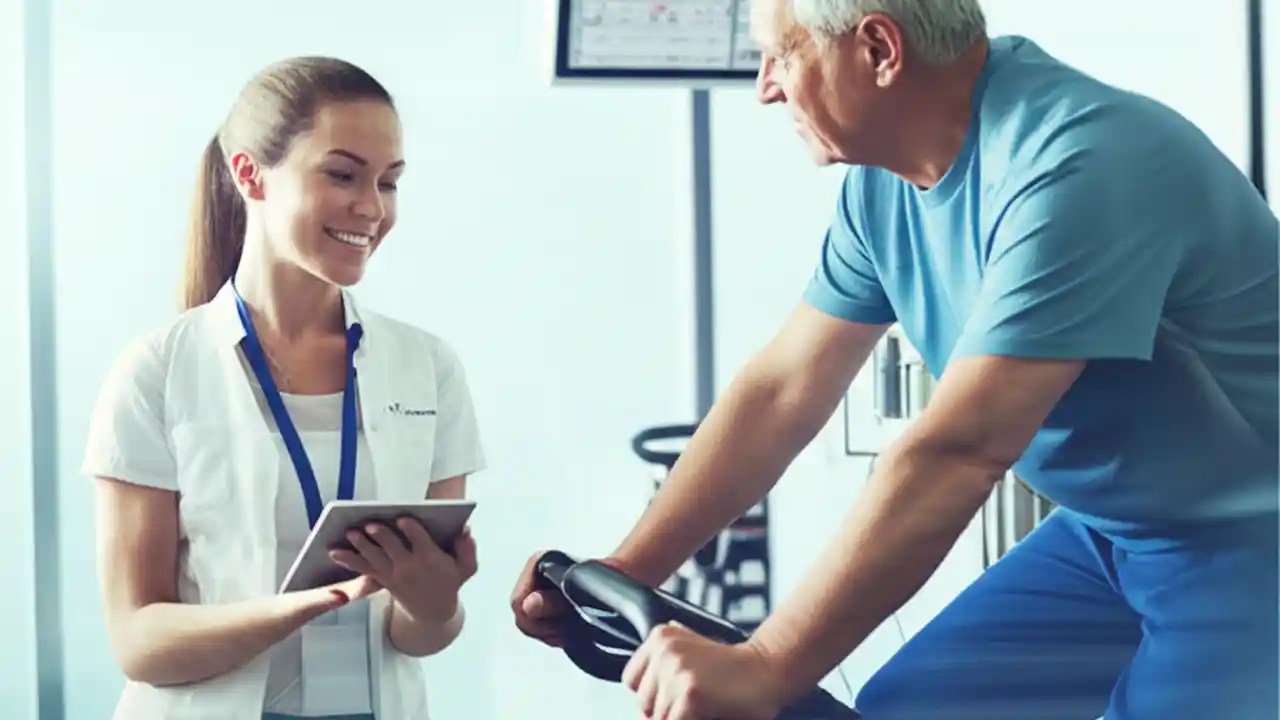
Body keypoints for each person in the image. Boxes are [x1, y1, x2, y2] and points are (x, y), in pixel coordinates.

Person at [512, 1, 1279, 718]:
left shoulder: (1082, 162)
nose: (765, 89)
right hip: (1110, 532)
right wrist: (625, 574)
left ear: (877, 47)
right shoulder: (884, 187)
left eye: (780, 56)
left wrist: (769, 662)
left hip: (1252, 542)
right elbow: (781, 391)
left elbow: (957, 449)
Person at [82, 56, 486, 720]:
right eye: (342, 174)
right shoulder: (156, 371)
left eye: (389, 183)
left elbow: (420, 635)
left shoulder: (428, 367)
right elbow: (138, 641)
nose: (372, 208)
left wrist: (434, 602)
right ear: (250, 174)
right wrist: (303, 605)